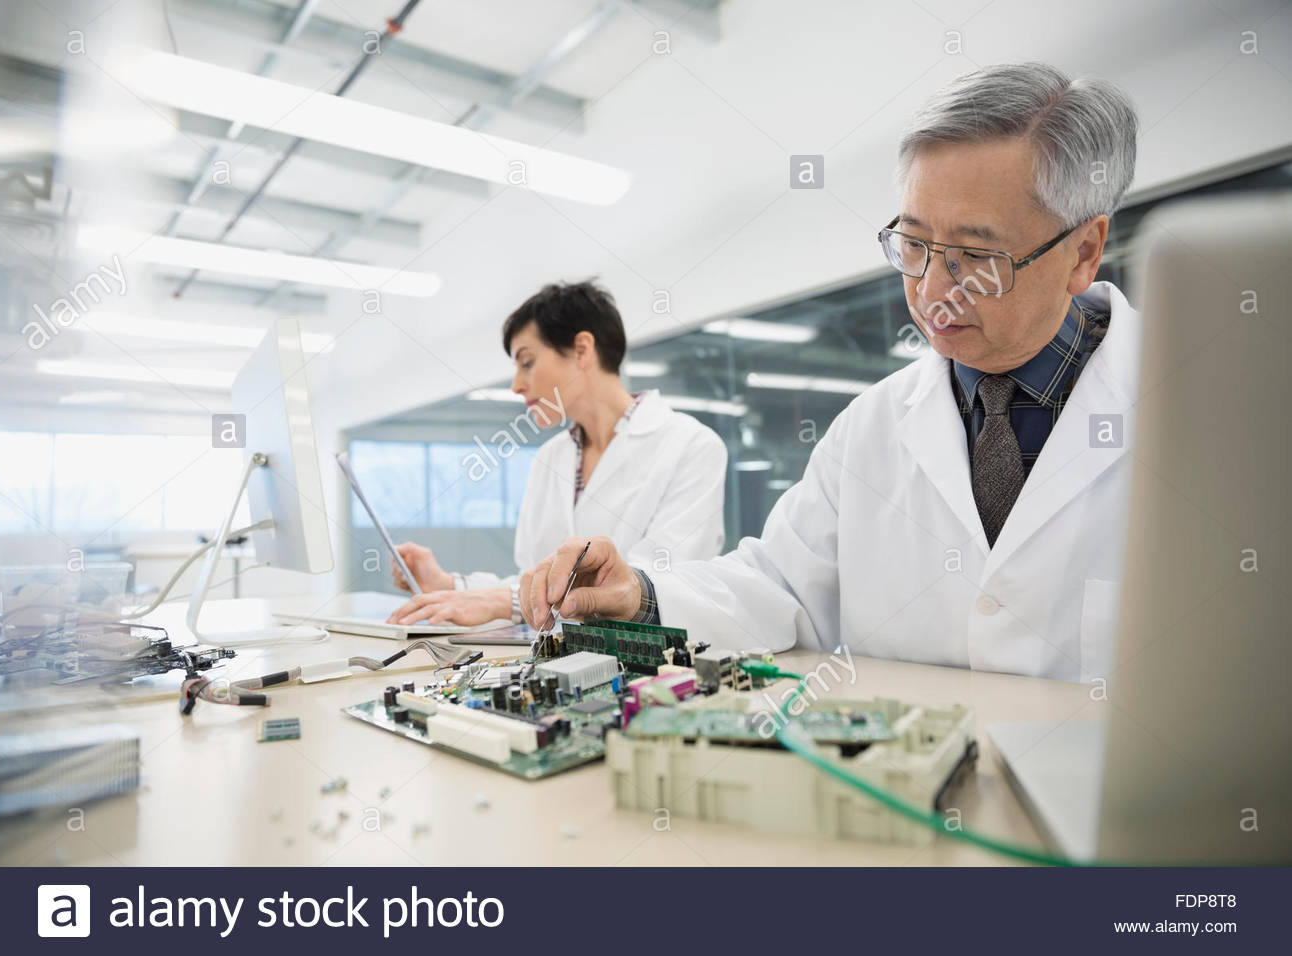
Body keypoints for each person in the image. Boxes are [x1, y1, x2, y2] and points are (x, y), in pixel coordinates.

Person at [521, 63, 1141, 683]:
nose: (931, 291)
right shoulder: (870, 428)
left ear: (1082, 252)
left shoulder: (1201, 414)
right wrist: (642, 596)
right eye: (915, 244)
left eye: (976, 257)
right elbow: (778, 587)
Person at [388, 280, 727, 627]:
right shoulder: (550, 458)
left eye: (527, 361)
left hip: (650, 671)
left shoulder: (692, 447)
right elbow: (533, 580)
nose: (516, 385)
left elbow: (649, 590)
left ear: (581, 350)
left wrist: (506, 602)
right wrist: (449, 586)